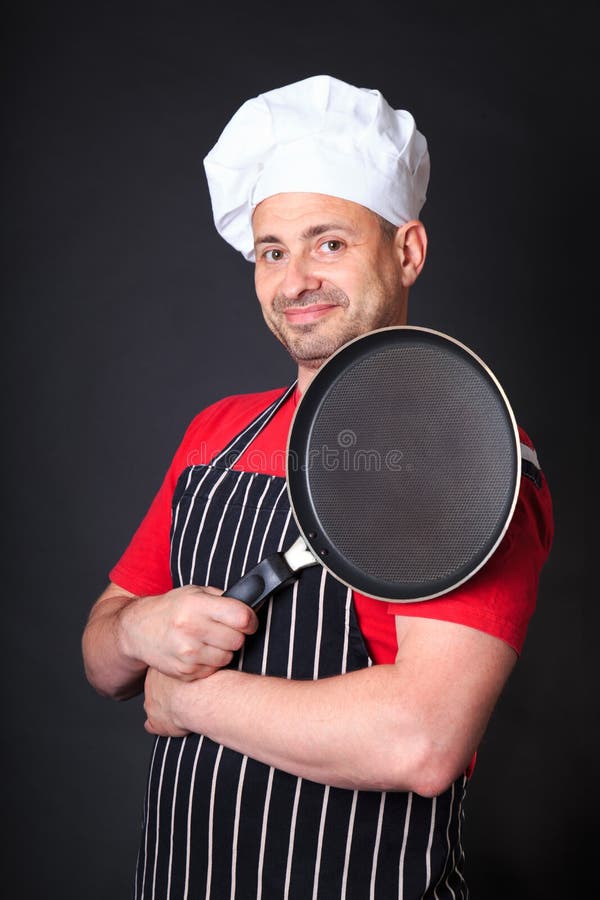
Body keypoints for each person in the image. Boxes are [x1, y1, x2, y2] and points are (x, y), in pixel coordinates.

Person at [82, 75, 554, 899]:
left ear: (406, 251)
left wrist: (189, 700)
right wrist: (138, 632)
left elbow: (422, 740)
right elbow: (101, 651)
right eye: (273, 250)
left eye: (328, 242)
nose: (295, 278)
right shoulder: (217, 435)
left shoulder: (469, 452)